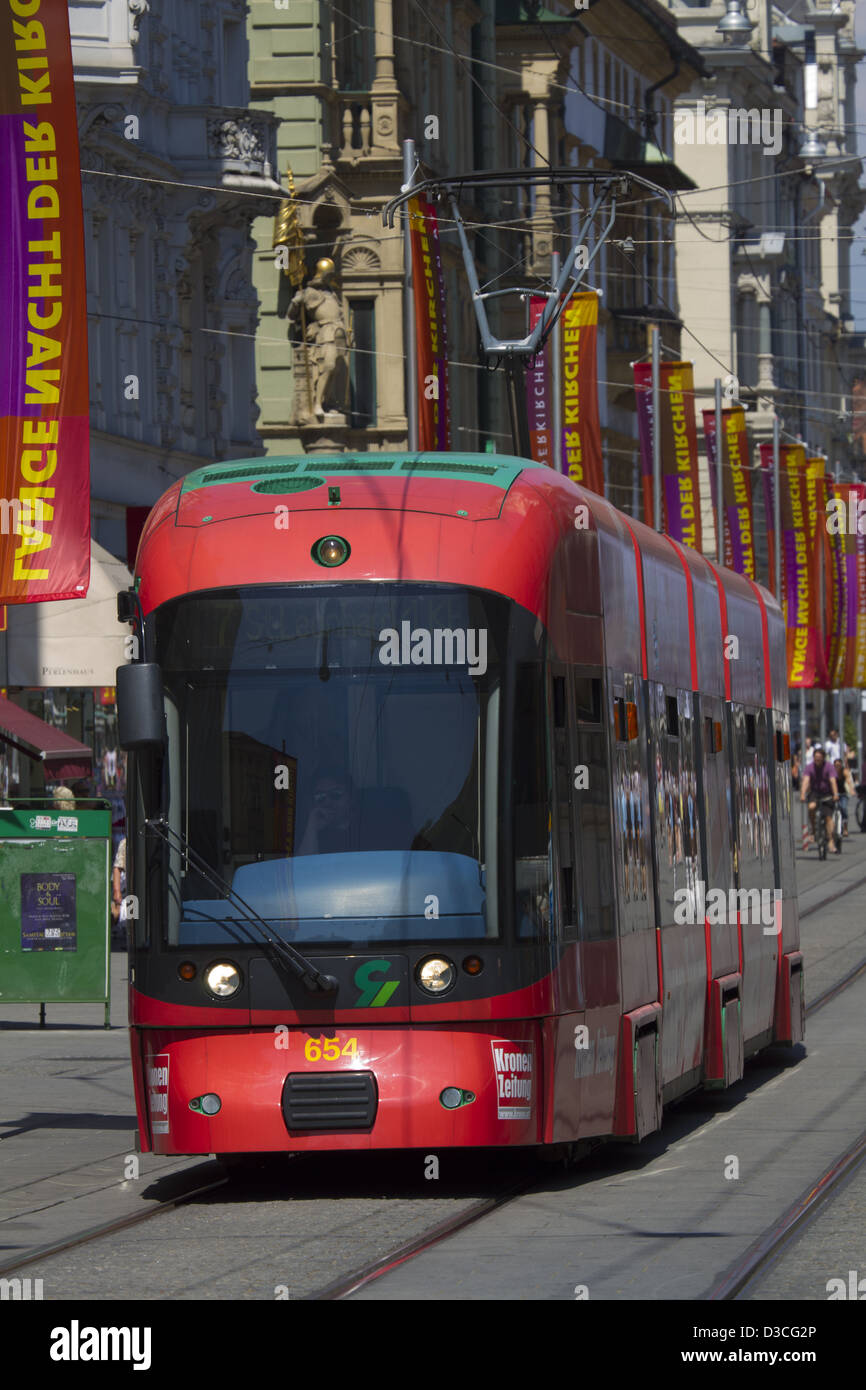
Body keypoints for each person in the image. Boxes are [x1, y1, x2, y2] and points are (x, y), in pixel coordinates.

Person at [297, 770, 359, 855]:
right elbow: (303, 865)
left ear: (351, 798)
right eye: (320, 797)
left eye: (336, 794)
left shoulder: (367, 826)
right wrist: (312, 827)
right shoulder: (310, 832)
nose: (328, 802)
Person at [800, 746, 839, 852]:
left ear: (823, 758)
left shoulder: (829, 767)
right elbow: (806, 781)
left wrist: (835, 794)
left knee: (828, 818)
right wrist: (803, 794)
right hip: (815, 793)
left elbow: (832, 781)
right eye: (815, 757)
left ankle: (831, 841)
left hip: (827, 793)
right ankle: (813, 829)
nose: (817, 759)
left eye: (819, 757)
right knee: (811, 807)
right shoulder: (810, 767)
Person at [834, 758, 854, 836]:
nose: (837, 767)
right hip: (835, 794)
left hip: (843, 794)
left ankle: (845, 828)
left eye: (838, 765)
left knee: (844, 808)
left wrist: (851, 789)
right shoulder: (832, 773)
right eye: (835, 765)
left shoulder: (844, 771)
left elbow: (848, 780)